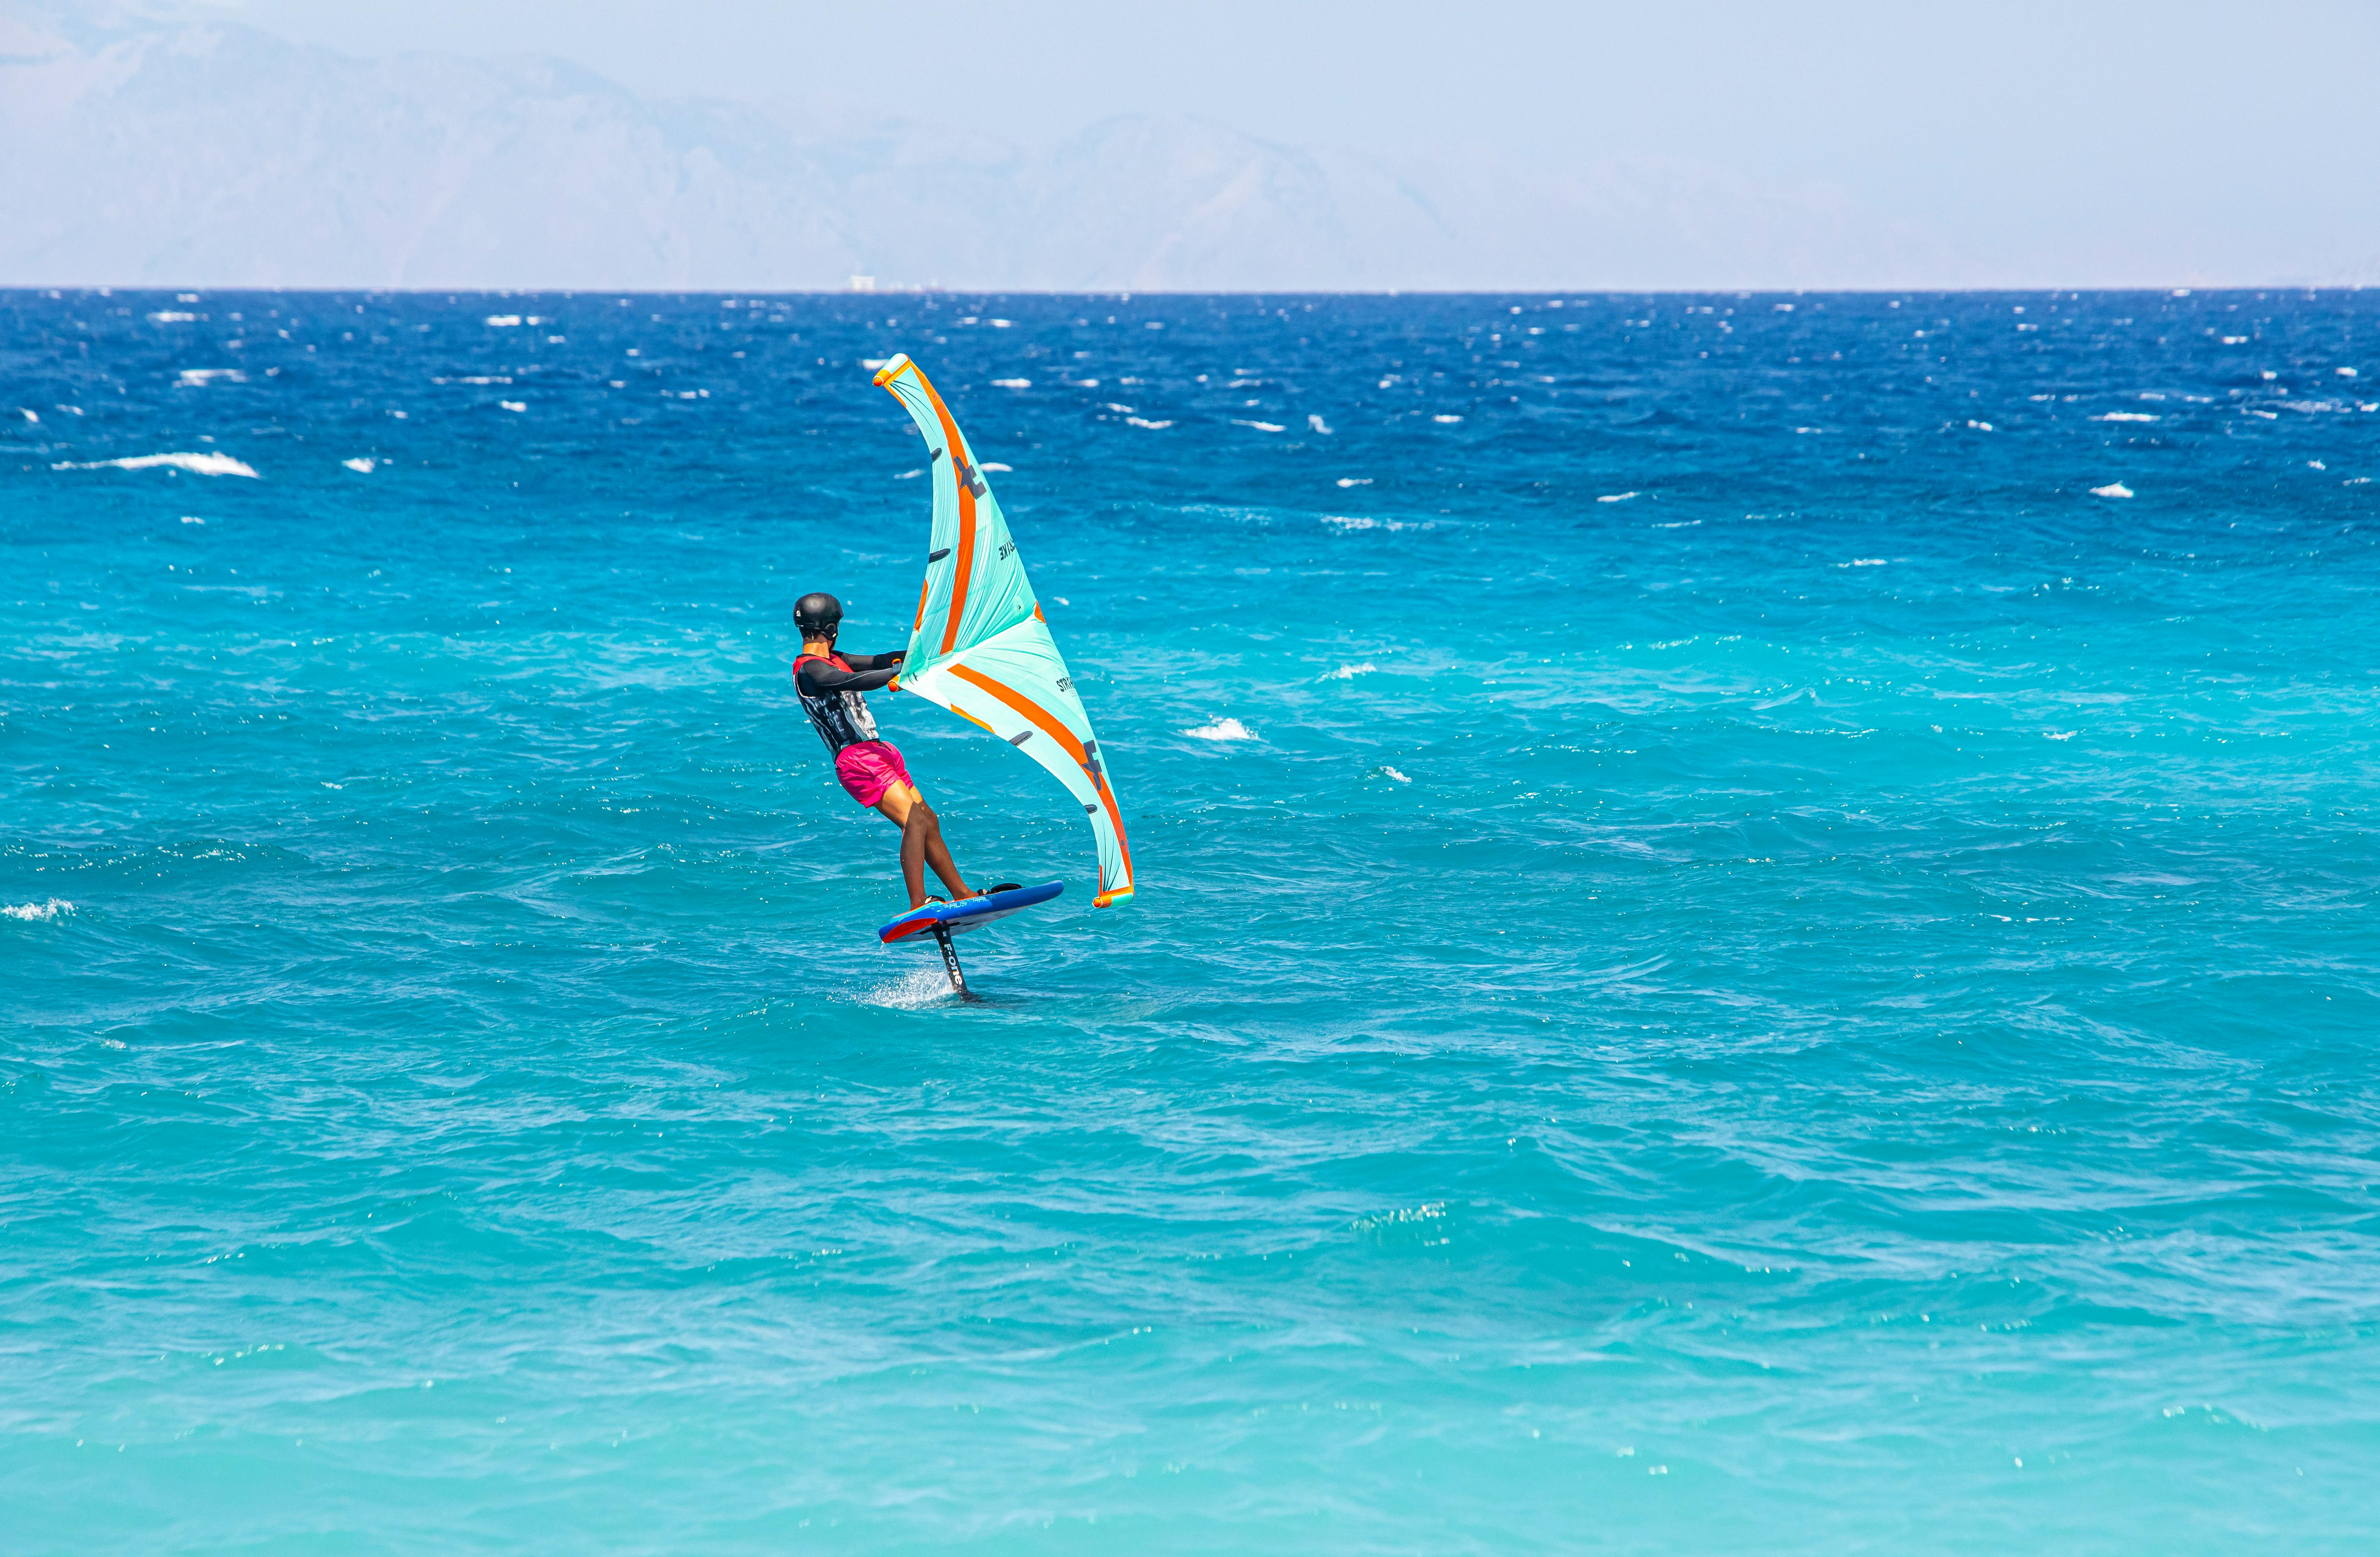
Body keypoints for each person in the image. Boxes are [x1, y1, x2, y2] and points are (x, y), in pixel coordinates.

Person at [791, 592, 998, 910]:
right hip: (856, 760)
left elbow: (881, 660)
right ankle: (918, 904)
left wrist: (934, 655)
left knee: (928, 819)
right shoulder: (810, 670)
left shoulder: (837, 658)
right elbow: (850, 680)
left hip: (879, 752)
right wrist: (892, 675)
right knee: (913, 820)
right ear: (831, 629)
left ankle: (962, 893)